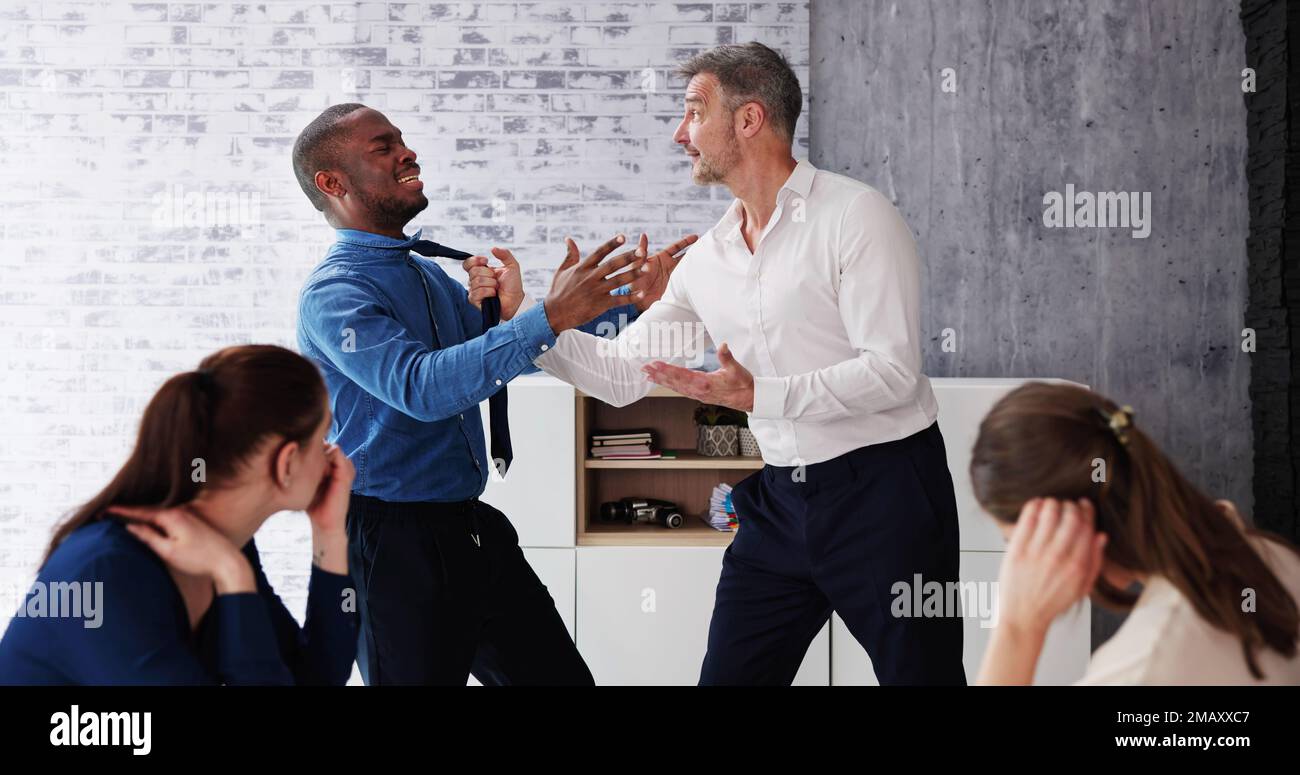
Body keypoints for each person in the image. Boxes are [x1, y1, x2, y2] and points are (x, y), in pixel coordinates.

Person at [486, 42, 965, 685]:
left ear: (749, 119)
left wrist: (761, 396)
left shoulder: (856, 217)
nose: (680, 133)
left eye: (693, 111)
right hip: (781, 504)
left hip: (888, 494)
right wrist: (531, 323)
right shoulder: (708, 258)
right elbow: (623, 373)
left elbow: (893, 371)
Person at [292, 103, 693, 685]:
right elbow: (423, 388)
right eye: (383, 148)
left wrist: (634, 306)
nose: (407, 153)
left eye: (403, 140)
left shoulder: (426, 274)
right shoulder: (335, 295)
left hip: (470, 529)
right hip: (391, 546)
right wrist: (548, 315)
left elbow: (505, 359)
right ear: (333, 183)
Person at [0, 345, 357, 685]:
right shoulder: (104, 573)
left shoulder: (222, 547)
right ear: (287, 463)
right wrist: (233, 575)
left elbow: (316, 678)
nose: (334, 455)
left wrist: (329, 533)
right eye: (323, 436)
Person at [970, 381, 1300, 685]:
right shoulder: (1265, 553)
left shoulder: (1143, 667)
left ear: (1068, 530)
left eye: (1021, 545)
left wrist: (1017, 629)